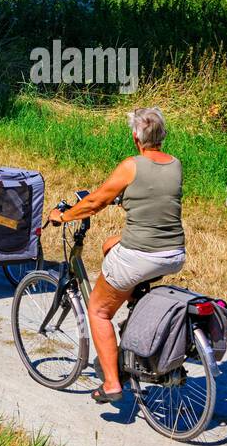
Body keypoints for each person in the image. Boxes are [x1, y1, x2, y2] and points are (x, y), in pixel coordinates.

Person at [47, 107, 185, 403]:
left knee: (98, 311)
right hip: (173, 251)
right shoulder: (176, 165)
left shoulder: (131, 166)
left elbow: (96, 201)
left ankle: (111, 384)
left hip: (142, 253)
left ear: (136, 137)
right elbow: (154, 195)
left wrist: (65, 215)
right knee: (110, 243)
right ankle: (134, 320)